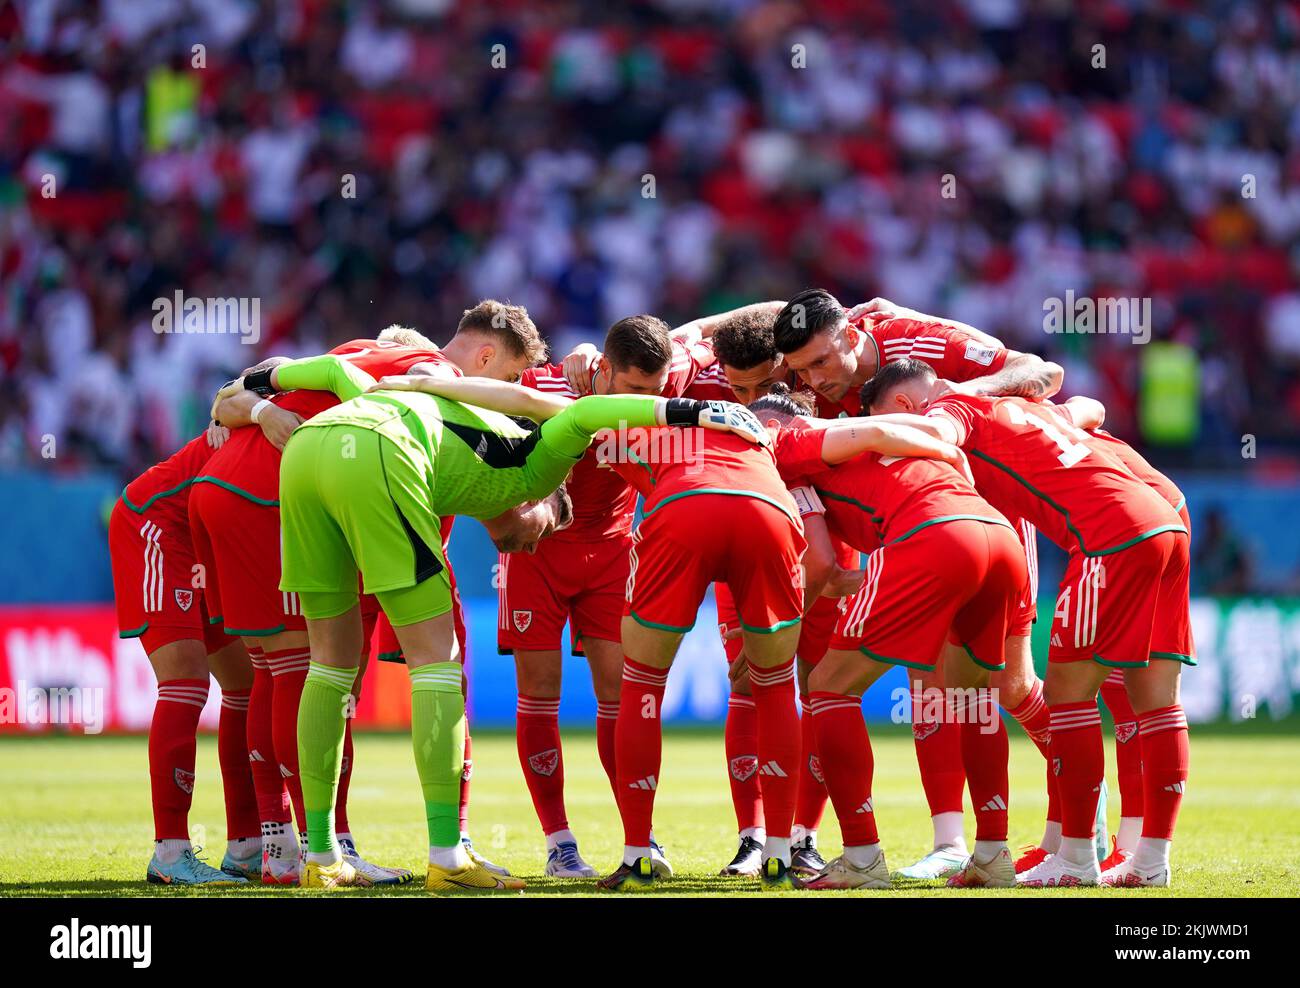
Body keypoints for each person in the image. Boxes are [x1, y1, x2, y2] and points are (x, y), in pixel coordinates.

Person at [244, 357, 765, 891]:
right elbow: (593, 412)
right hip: (382, 456)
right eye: (548, 525)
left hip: (308, 452)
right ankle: (448, 858)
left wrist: (255, 387)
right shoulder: (541, 461)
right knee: (438, 663)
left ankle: (322, 857)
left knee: (328, 665)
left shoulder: (433, 413)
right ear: (540, 498)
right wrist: (698, 410)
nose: (537, 543)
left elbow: (334, 372)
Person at [193, 312, 543, 883]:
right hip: (291, 499)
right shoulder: (425, 371)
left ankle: (287, 848)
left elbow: (243, 383)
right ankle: (412, 849)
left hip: (255, 489)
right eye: (509, 379)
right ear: (483, 360)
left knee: (283, 672)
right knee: (425, 665)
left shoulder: (362, 359)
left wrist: (256, 409)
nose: (510, 394)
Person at [865, 358, 1193, 888]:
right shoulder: (1025, 406)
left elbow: (935, 431)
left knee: (1067, 696)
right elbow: (1083, 402)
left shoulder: (953, 409)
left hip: (1110, 539)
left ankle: (1078, 857)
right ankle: (1151, 860)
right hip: (1168, 522)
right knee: (1156, 698)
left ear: (905, 407)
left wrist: (825, 436)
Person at [751, 386, 1027, 889]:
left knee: (830, 687)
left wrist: (774, 633)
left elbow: (823, 567)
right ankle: (992, 853)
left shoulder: (780, 447)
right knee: (972, 699)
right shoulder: (859, 444)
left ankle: (861, 858)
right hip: (996, 532)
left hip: (934, 535)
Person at [497, 315, 727, 877]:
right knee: (539, 694)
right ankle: (559, 842)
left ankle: (638, 839)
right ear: (602, 370)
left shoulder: (666, 386)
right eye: (634, 390)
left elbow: (715, 329)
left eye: (655, 391)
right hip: (536, 556)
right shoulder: (540, 388)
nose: (647, 401)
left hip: (611, 555)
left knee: (620, 696)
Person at [109, 392, 298, 885]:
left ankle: (246, 844)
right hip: (158, 526)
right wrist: (247, 411)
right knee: (187, 682)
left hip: (213, 535)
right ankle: (170, 852)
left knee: (246, 683)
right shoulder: (293, 417)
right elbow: (232, 393)